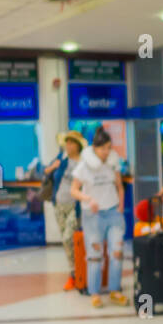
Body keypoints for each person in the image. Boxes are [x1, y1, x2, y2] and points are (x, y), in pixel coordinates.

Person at [72, 127, 126, 307]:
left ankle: (114, 290)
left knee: (117, 253)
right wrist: (88, 199)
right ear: (95, 148)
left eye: (109, 148)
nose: (106, 152)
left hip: (113, 213)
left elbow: (119, 185)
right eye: (103, 148)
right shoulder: (84, 166)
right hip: (93, 216)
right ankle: (94, 293)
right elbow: (74, 190)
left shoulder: (112, 162)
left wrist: (120, 206)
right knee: (95, 255)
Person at [52, 131, 86, 291]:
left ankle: (76, 272)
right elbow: (47, 172)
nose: (68, 145)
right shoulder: (62, 160)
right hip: (59, 204)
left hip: (74, 206)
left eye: (71, 143)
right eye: (67, 143)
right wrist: (54, 166)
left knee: (67, 238)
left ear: (78, 145)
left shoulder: (84, 163)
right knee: (66, 242)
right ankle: (73, 273)